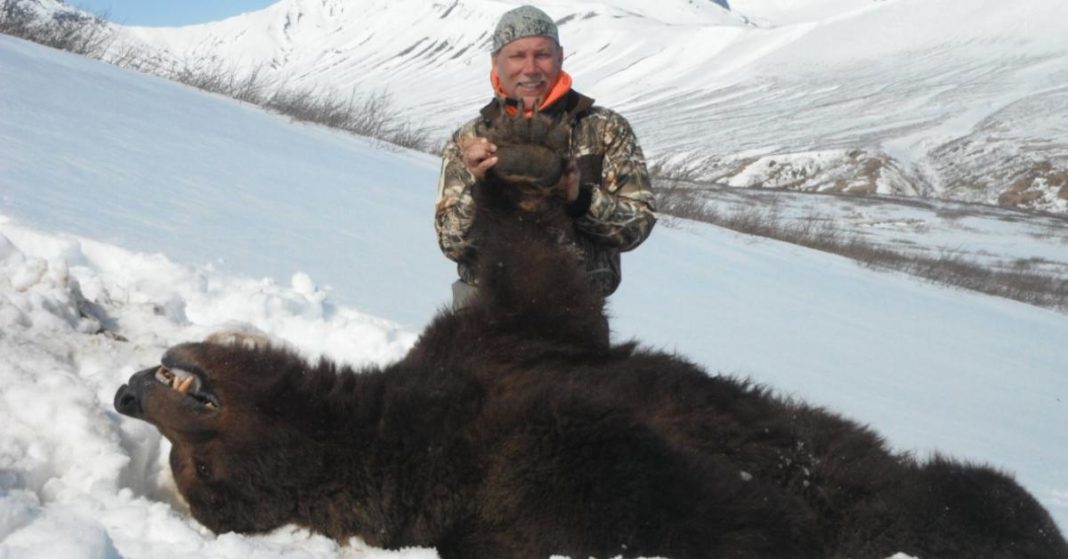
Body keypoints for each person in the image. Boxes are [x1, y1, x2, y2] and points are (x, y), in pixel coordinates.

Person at [435, 5, 656, 308]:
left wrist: (580, 200)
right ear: (495, 62)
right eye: (517, 56)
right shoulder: (470, 140)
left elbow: (638, 225)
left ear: (560, 57)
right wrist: (480, 187)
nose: (530, 68)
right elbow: (452, 244)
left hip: (574, 311)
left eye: (542, 55)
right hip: (484, 307)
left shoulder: (604, 129)